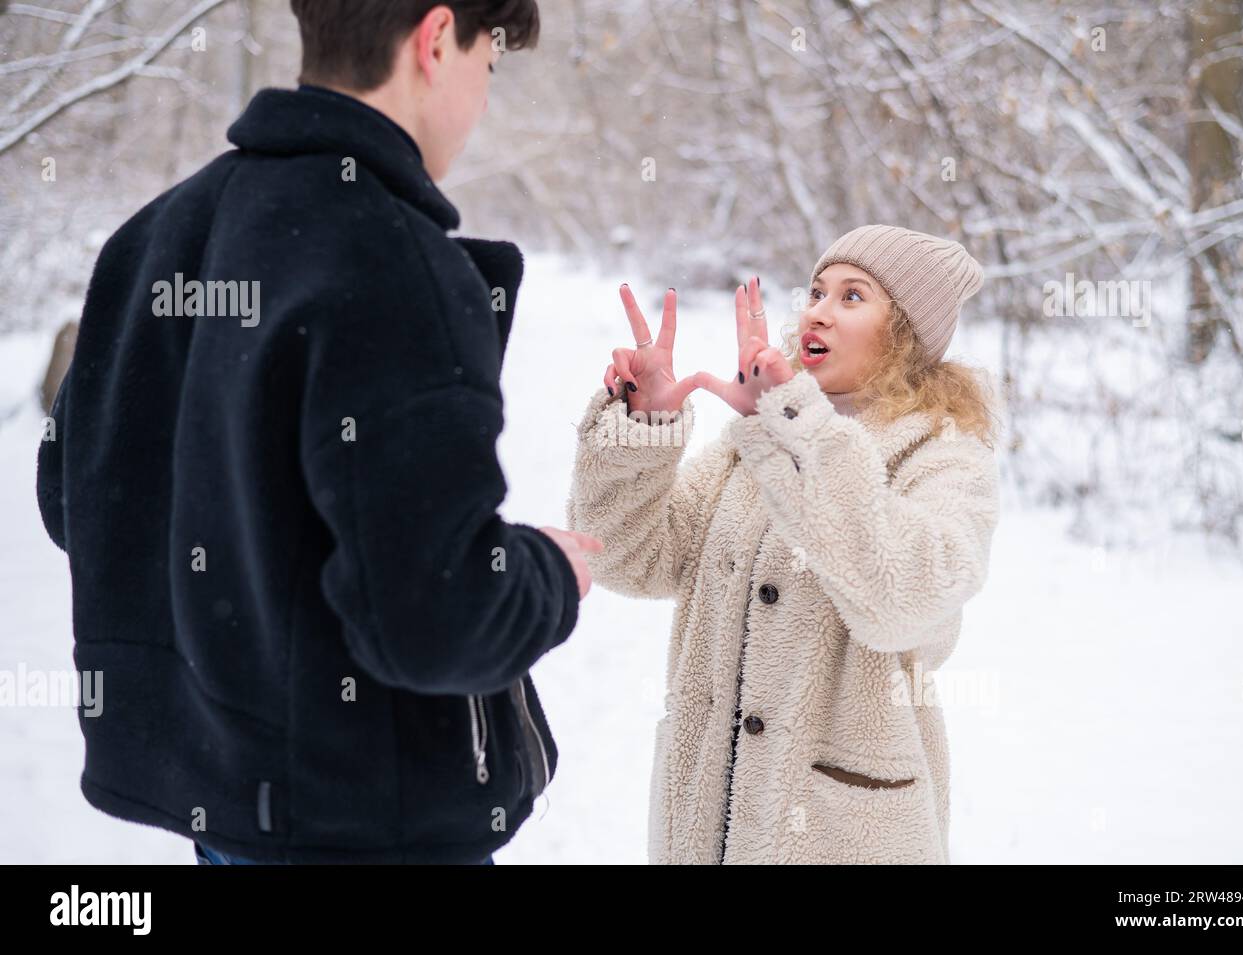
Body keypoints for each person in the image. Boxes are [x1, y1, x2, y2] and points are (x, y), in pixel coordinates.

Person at [36, 0, 600, 865]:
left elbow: (75, 501)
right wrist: (551, 572)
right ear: (437, 40)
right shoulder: (395, 263)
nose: (483, 106)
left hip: (231, 815)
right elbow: (433, 614)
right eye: (489, 69)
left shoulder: (150, 239)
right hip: (367, 829)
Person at [567, 225, 1001, 863]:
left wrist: (796, 429)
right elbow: (633, 558)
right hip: (705, 829)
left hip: (842, 835)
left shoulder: (944, 455)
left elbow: (899, 600)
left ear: (906, 332)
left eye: (853, 297)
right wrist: (646, 424)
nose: (817, 310)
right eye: (818, 290)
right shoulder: (762, 439)